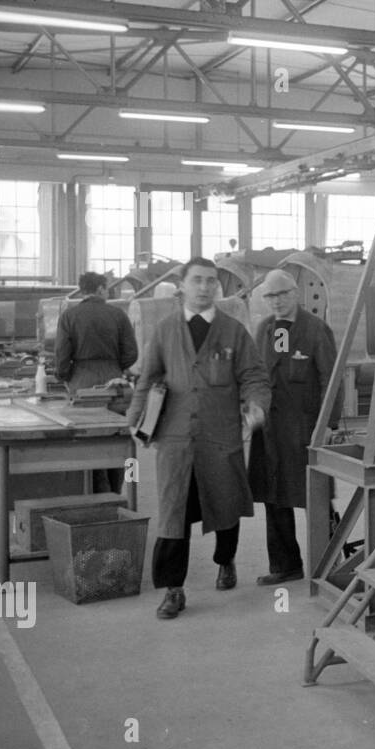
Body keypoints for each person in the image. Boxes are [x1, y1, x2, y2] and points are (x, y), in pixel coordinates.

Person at [125, 257, 270, 620]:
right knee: (173, 512)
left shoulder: (234, 331)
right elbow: (148, 377)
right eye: (197, 281)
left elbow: (253, 375)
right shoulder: (164, 330)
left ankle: (226, 560)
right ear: (183, 286)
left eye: (210, 281)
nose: (204, 287)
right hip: (175, 437)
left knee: (225, 503)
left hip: (221, 436)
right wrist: (135, 418)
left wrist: (255, 407)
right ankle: (173, 590)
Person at [247, 269, 340, 586]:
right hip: (270, 430)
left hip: (304, 429)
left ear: (295, 293)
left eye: (281, 294)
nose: (275, 301)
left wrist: (328, 424)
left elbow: (331, 379)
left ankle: (330, 561)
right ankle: (286, 564)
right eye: (269, 296)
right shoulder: (263, 330)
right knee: (274, 497)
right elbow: (254, 376)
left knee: (314, 495)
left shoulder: (315, 331)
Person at [57, 271, 138, 493]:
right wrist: (116, 367)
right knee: (119, 440)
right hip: (114, 383)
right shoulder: (118, 315)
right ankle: (119, 492)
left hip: (81, 383)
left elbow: (62, 357)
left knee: (88, 441)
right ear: (101, 289)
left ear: (83, 290)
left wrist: (65, 376)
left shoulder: (69, 316)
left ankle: (94, 493)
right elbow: (132, 353)